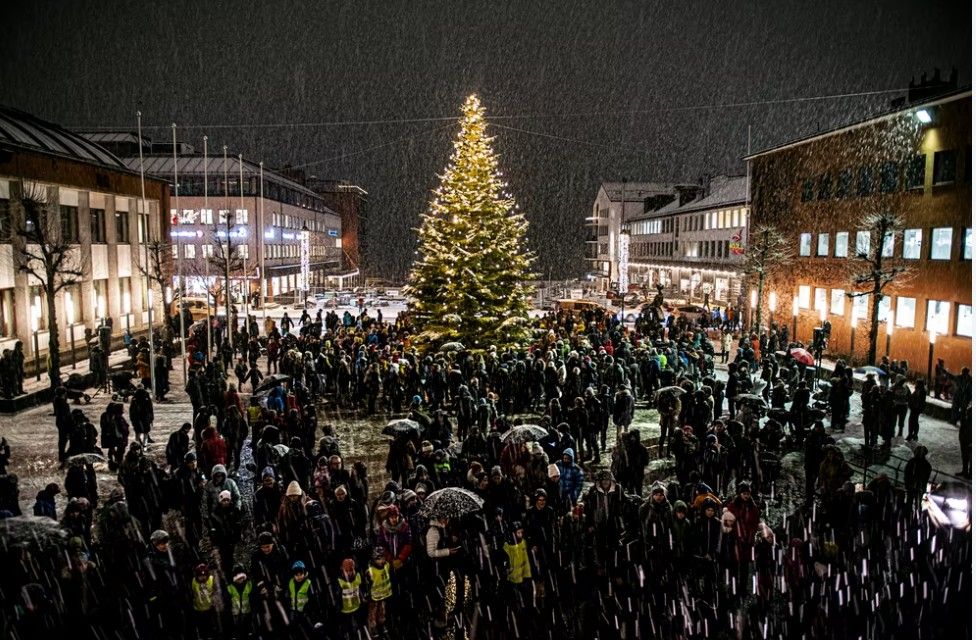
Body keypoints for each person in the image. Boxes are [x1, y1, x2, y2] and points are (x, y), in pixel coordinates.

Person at [366, 546, 393, 636]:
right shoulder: (370, 571)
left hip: (384, 594)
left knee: (382, 610)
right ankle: (373, 628)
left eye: (383, 557)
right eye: (379, 558)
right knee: (373, 612)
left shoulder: (387, 565)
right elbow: (367, 585)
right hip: (374, 596)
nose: (382, 560)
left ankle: (382, 625)